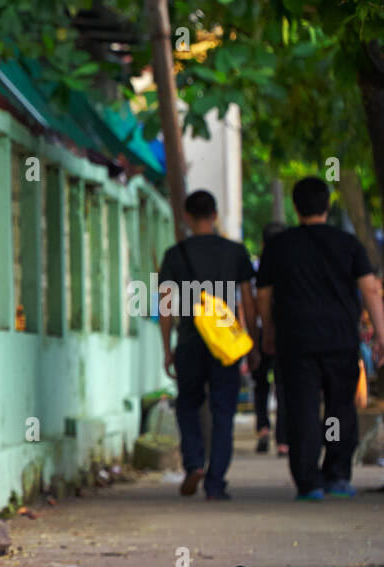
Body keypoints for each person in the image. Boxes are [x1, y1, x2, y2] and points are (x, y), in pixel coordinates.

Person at [256, 177, 384, 500]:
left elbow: (264, 295)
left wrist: (268, 331)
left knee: (302, 408)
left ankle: (309, 481)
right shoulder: (348, 244)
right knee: (339, 408)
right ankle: (337, 474)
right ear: (328, 205)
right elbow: (370, 289)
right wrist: (382, 335)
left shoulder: (279, 247)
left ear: (296, 208)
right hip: (340, 340)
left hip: (295, 341)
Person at [158, 190, 258, 500]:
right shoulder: (236, 252)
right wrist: (251, 342)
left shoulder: (175, 255)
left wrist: (167, 347)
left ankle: (193, 463)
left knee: (187, 403)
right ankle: (215, 483)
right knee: (223, 410)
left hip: (189, 340)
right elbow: (248, 302)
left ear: (187, 217)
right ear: (214, 216)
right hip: (224, 345)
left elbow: (165, 305)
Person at [252, 222, 288, 455]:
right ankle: (284, 441)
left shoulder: (255, 267)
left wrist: (259, 334)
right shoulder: (291, 265)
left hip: (258, 332)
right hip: (286, 334)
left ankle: (263, 428)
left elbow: (245, 302)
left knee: (261, 384)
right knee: (284, 385)